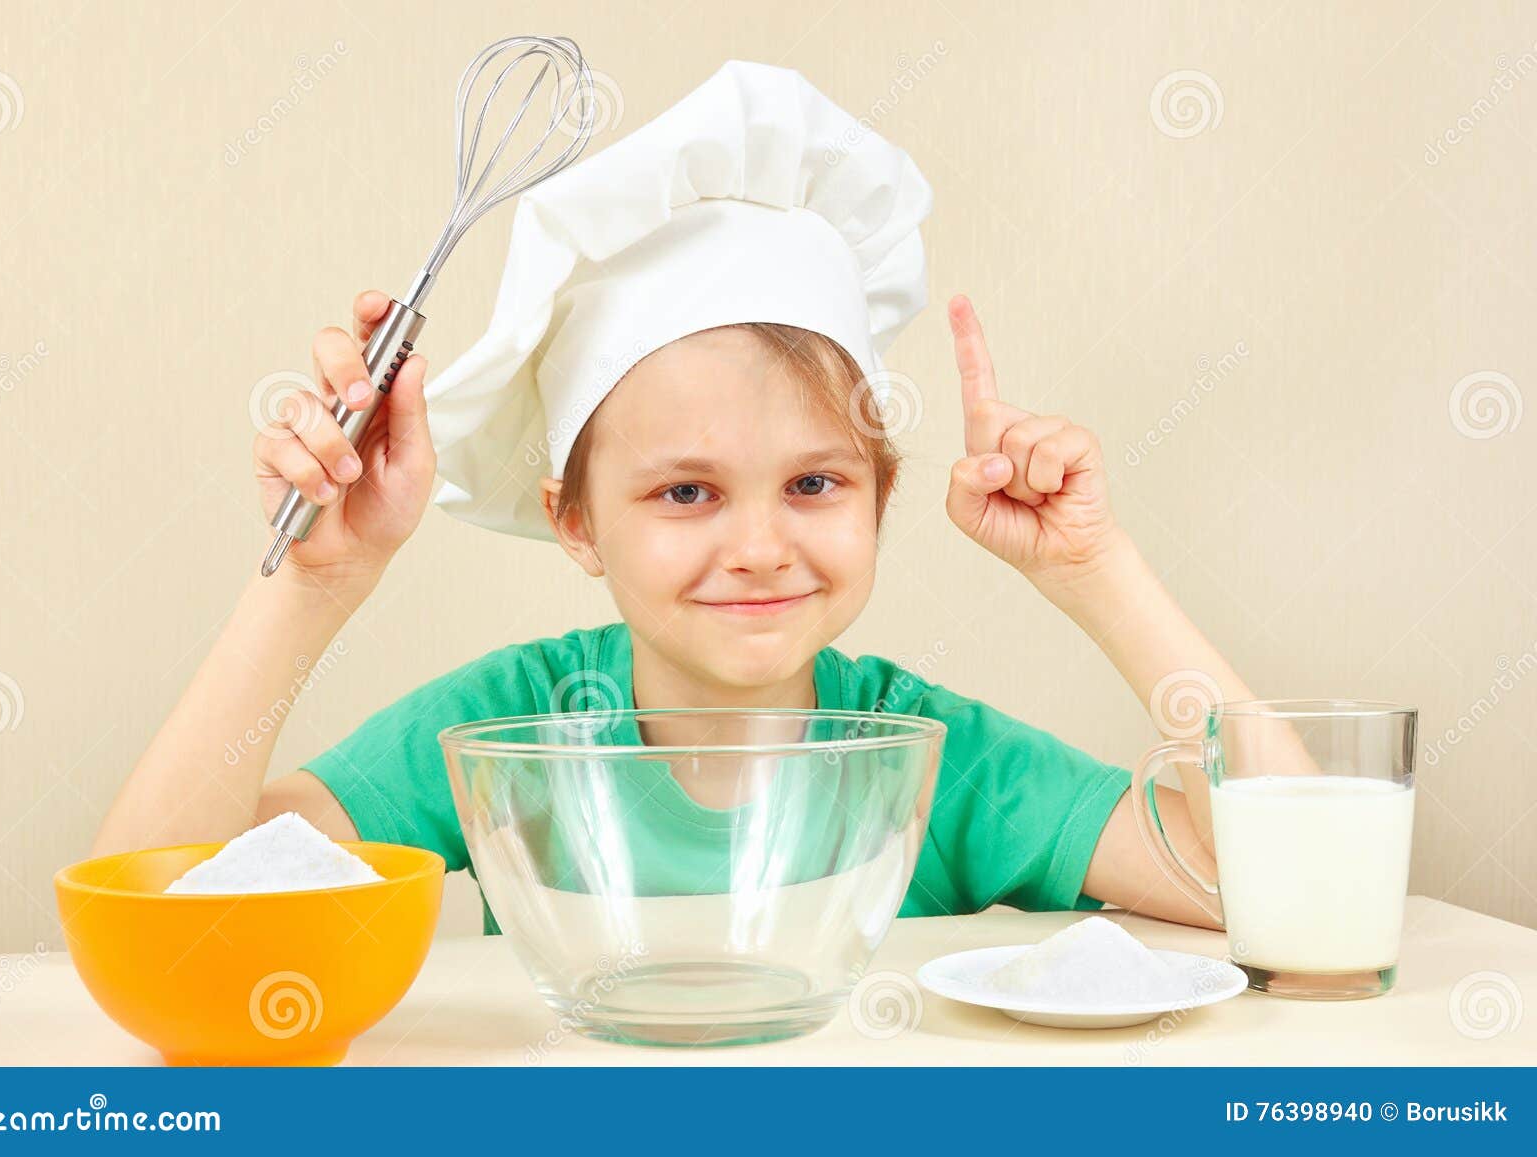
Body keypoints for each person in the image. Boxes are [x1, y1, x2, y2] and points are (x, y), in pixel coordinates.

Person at [95, 61, 1244, 931]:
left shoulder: (931, 760)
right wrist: (313, 582)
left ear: (879, 495)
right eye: (687, 490)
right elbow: (160, 904)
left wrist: (1096, 572)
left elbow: (1290, 901)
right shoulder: (509, 739)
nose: (757, 545)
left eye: (812, 482)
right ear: (574, 520)